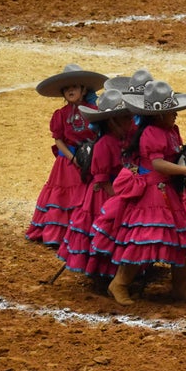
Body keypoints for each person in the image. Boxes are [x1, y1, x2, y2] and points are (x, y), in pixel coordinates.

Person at [91, 80, 186, 306]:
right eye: (172, 111)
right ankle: (119, 284)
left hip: (169, 192)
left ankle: (181, 288)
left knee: (181, 238)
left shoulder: (170, 130)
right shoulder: (151, 132)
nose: (176, 115)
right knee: (142, 240)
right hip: (152, 194)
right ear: (159, 114)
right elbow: (158, 163)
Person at [56, 89, 132, 285]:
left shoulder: (122, 139)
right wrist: (121, 197)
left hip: (116, 190)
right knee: (104, 232)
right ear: (112, 121)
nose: (131, 122)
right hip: (105, 195)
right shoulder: (104, 144)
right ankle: (102, 273)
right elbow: (103, 180)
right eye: (126, 118)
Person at [26, 63, 107, 247]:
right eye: (67, 88)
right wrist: (72, 158)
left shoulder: (95, 111)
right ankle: (58, 235)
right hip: (67, 163)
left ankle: (79, 233)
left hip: (89, 159)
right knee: (63, 197)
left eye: (74, 87)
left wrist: (90, 156)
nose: (70, 91)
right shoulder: (60, 115)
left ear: (83, 89)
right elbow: (58, 140)